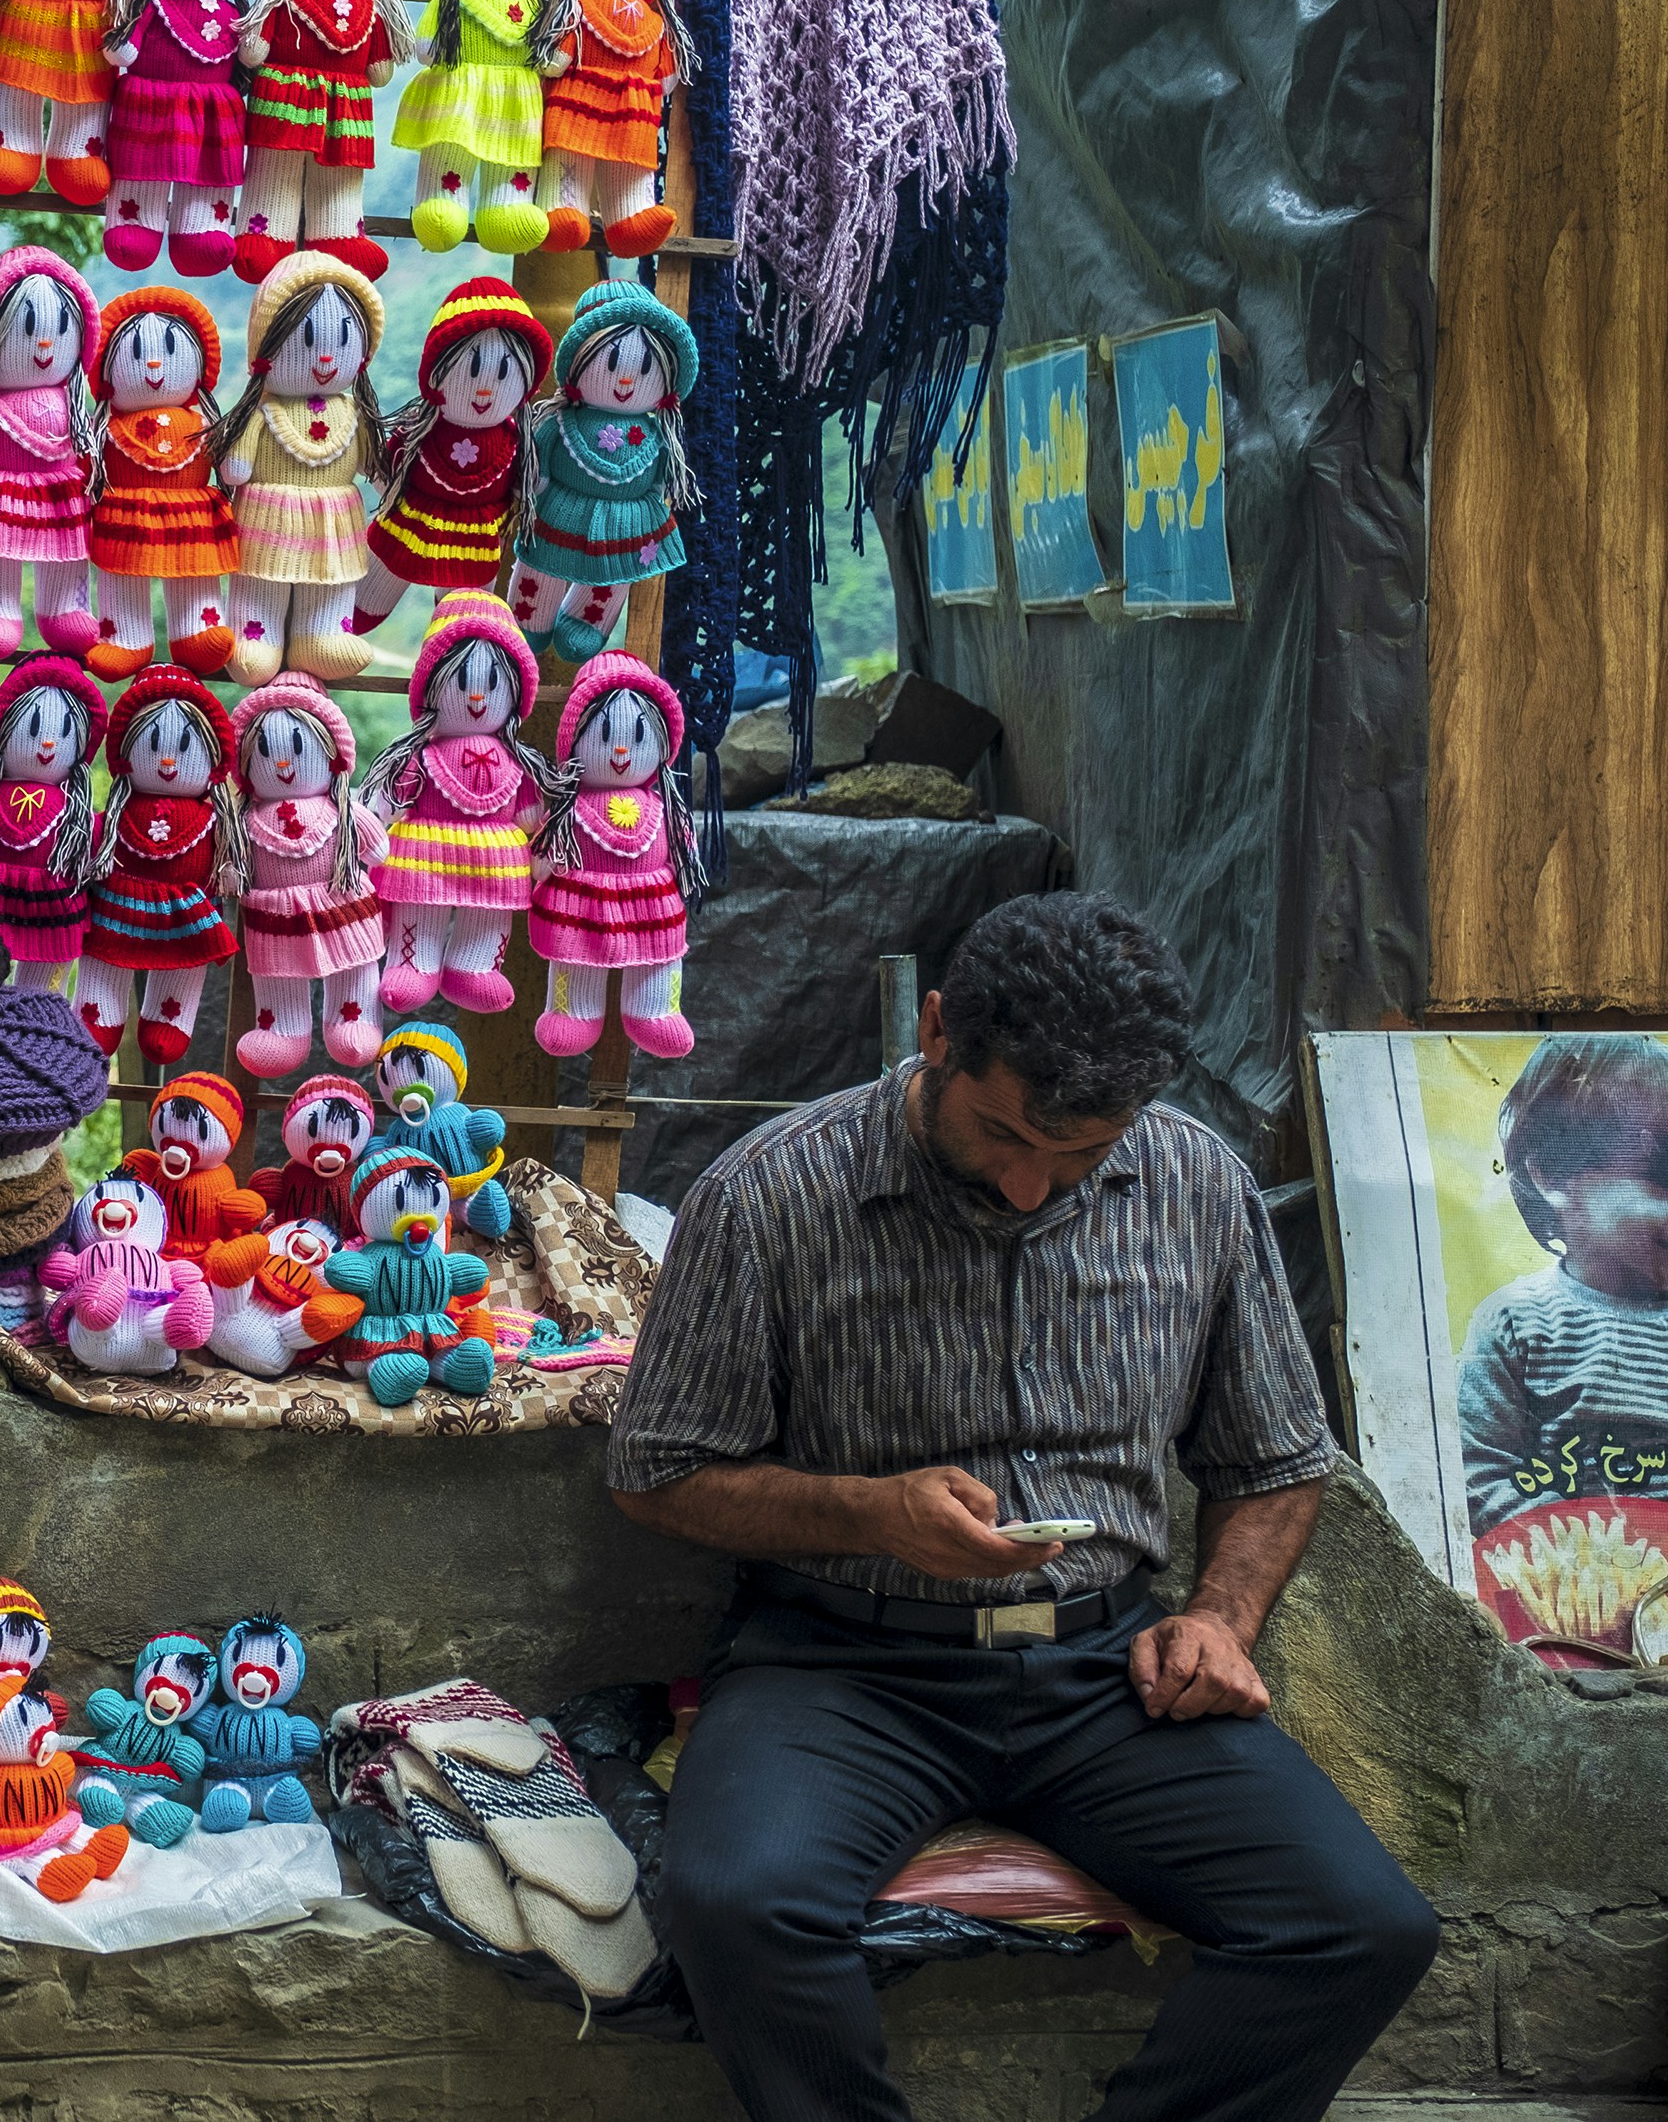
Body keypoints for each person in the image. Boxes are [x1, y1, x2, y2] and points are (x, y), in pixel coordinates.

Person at [608, 892, 1437, 2122]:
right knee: (737, 1906)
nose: (1029, 1184)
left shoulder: (1197, 1185)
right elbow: (656, 1470)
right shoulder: (769, 1193)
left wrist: (1221, 1619)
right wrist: (870, 1514)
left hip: (1109, 1671)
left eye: (1082, 1153)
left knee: (1359, 1925)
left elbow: (1273, 1458)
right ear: (938, 1031)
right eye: (1000, 1131)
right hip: (840, 1665)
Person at [1456, 1032, 1668, 1532]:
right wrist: (1582, 1550)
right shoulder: (1516, 1325)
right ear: (1553, 1175)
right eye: (1659, 1174)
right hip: (1564, 1573)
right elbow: (1480, 1475)